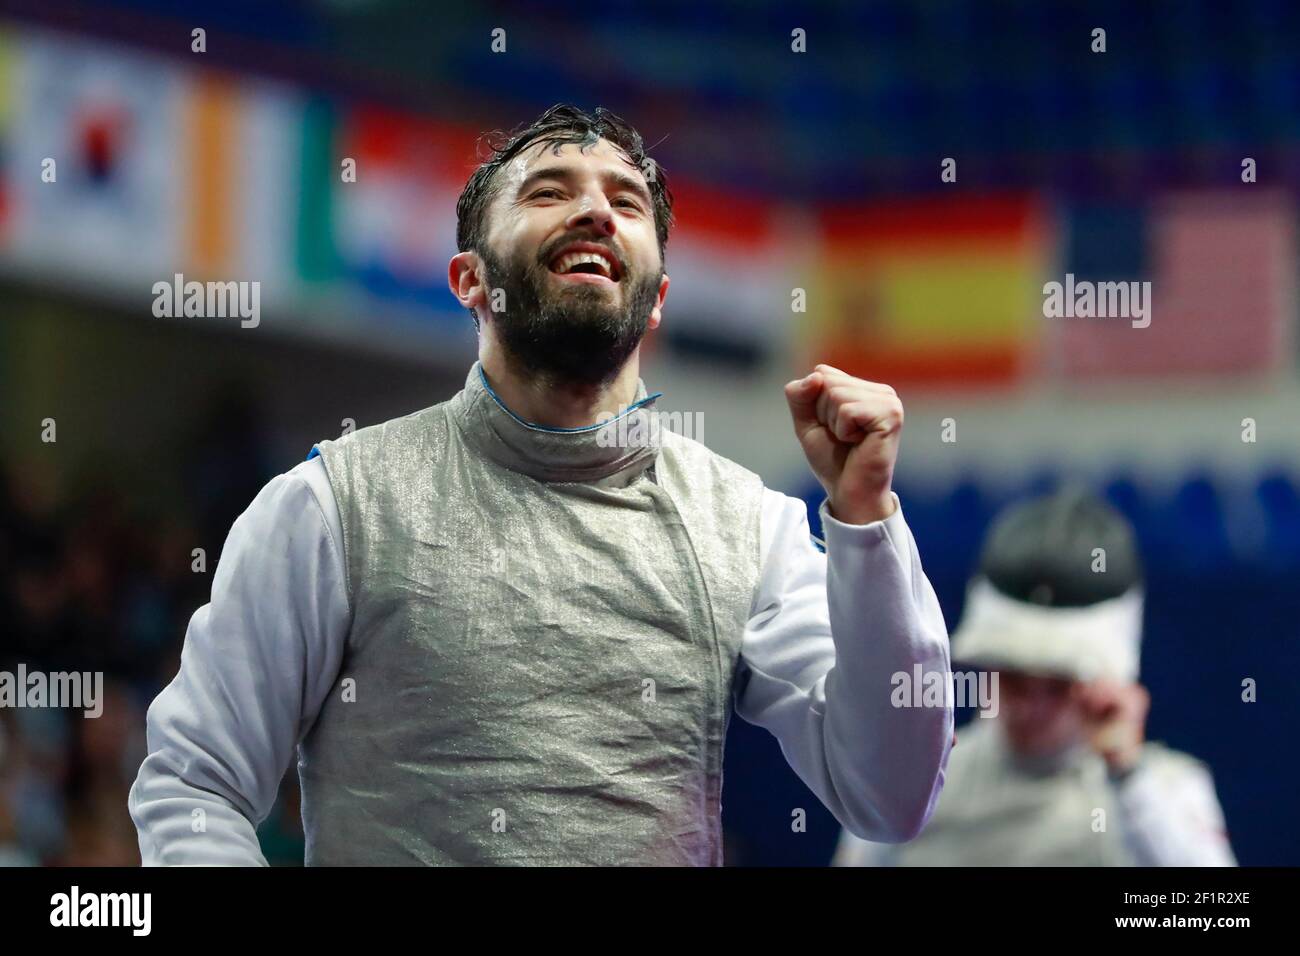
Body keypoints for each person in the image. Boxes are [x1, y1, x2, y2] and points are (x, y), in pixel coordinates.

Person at [129, 104, 953, 866]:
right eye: (550, 193)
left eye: (627, 203)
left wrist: (867, 523)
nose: (596, 211)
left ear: (657, 297)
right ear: (470, 280)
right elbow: (195, 781)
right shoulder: (333, 506)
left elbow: (889, 797)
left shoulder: (747, 527)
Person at [833, 488, 1235, 866]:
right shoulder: (917, 781)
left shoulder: (1163, 791)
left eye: (1059, 686)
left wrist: (1127, 776)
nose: (1030, 707)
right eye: (1014, 679)